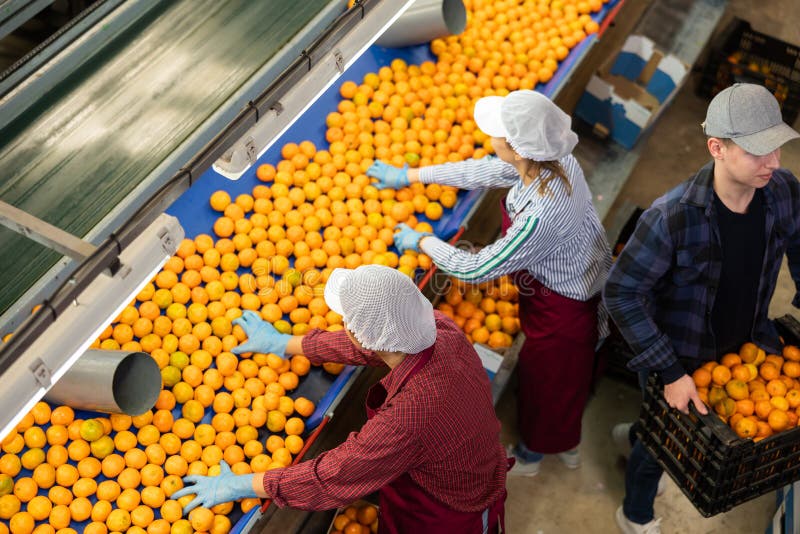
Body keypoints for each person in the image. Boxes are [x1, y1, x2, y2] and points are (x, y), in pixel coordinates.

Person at [367, 89, 612, 475]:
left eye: (497, 135)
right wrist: (410, 175)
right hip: (583, 271)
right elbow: (482, 171)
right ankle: (561, 432)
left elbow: (476, 269)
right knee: (566, 374)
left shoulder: (540, 215)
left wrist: (423, 241)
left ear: (516, 149)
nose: (490, 139)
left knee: (549, 380)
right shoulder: (553, 158)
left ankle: (539, 453)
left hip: (566, 304)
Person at [174, 264, 509, 533]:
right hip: (457, 464)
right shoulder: (437, 327)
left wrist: (240, 485)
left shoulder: (409, 417)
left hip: (447, 513)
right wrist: (287, 344)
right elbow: (371, 343)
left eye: (347, 321)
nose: (346, 326)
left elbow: (333, 476)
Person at [604, 82, 800, 534]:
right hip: (677, 353)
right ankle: (635, 513)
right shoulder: (672, 216)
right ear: (718, 148)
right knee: (663, 445)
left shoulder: (783, 191)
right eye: (758, 152)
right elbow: (622, 292)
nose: (774, 162)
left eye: (776, 148)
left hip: (743, 345)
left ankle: (638, 430)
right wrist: (670, 374)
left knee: (671, 433)